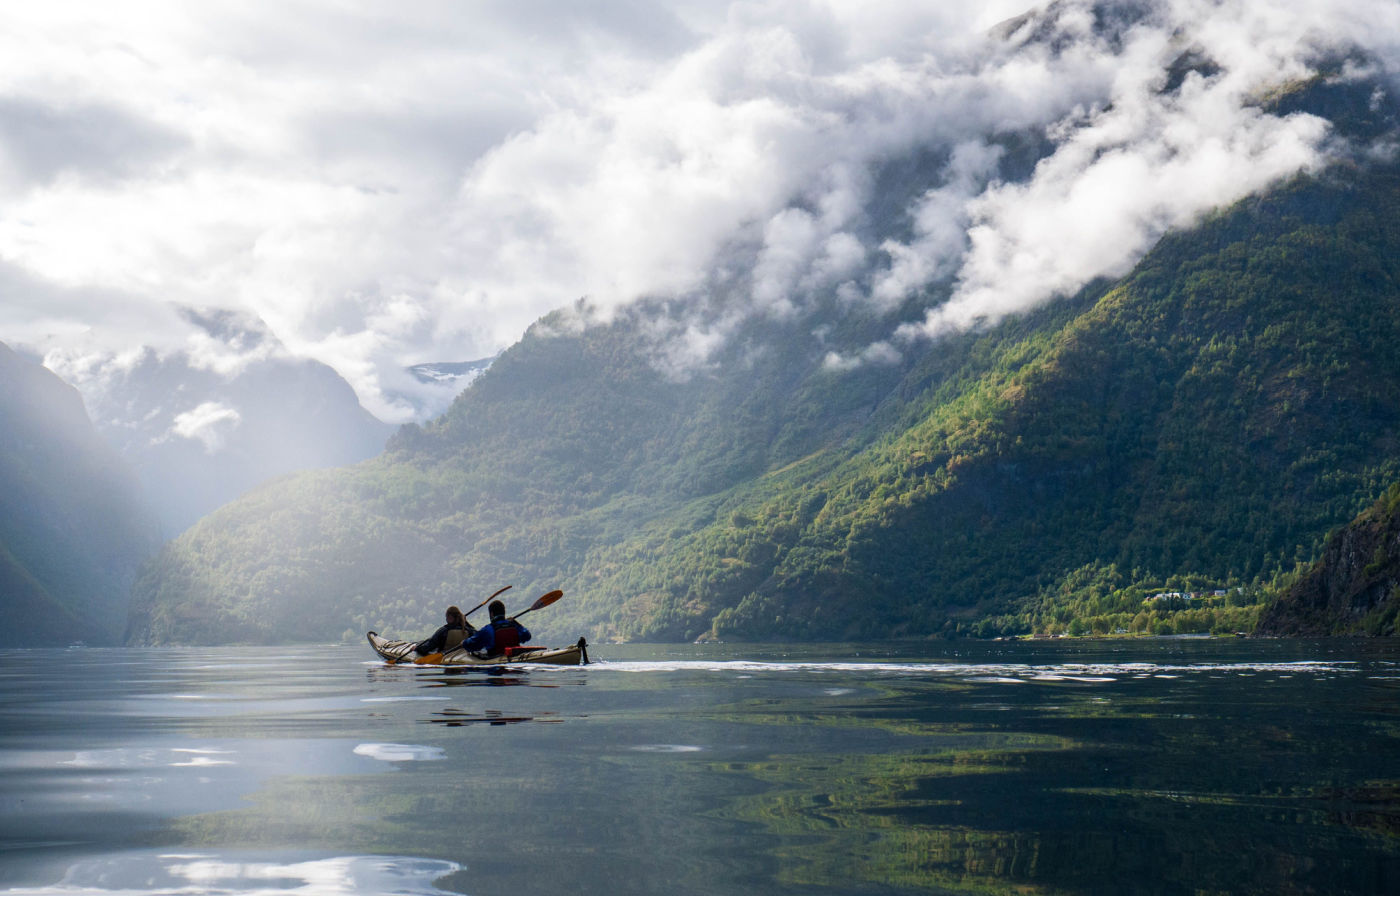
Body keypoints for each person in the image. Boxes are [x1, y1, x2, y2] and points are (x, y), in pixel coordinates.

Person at [458, 599, 531, 658]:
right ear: (504, 612)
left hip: (496, 664)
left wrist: (464, 643)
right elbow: (527, 636)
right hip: (515, 658)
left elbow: (472, 644)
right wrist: (516, 623)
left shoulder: (488, 629)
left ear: (491, 614)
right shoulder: (514, 625)